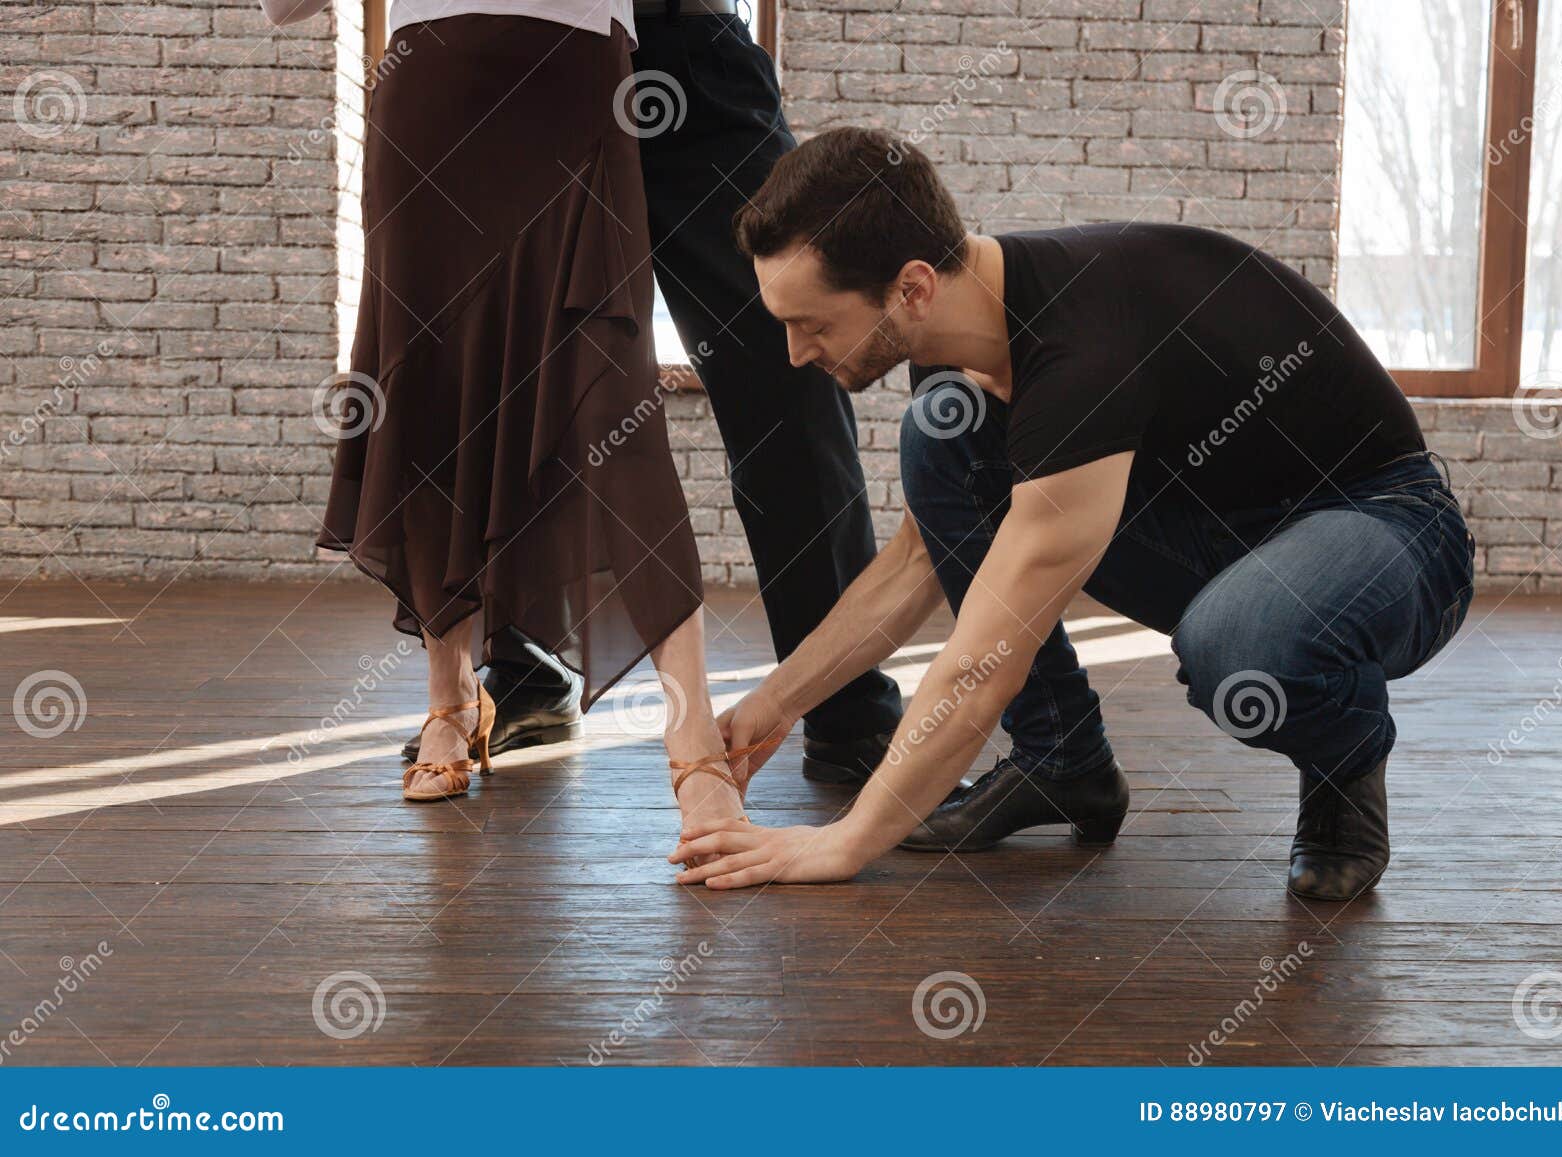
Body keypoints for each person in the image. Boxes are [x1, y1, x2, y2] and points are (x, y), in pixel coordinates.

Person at [672, 126, 1477, 901]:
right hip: (1222, 531)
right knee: (939, 435)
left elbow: (985, 658)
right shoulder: (959, 344)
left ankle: (1345, 763)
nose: (796, 353)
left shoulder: (1081, 351)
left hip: (1389, 528)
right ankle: (1063, 758)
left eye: (812, 324)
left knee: (1241, 649)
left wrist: (844, 842)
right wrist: (771, 704)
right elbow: (919, 565)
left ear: (912, 287)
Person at [260, 0, 757, 836]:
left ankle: (693, 741)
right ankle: (449, 701)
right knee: (426, 396)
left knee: (613, 404)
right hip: (431, 83)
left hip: (573, 78)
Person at [400, 0, 906, 783]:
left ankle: (847, 710)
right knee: (510, 374)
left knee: (785, 369)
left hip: (680, 52)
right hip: (522, 55)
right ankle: (525, 670)